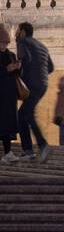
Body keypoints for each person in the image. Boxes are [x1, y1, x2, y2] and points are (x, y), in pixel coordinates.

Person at [16, 21, 54, 161]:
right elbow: (51, 68)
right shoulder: (42, 46)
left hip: (32, 84)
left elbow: (25, 59)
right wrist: (40, 73)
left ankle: (42, 145)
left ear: (23, 32)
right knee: (25, 114)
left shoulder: (22, 42)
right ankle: (29, 150)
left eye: (18, 30)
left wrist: (19, 76)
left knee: (24, 115)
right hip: (43, 85)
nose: (16, 33)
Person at [0, 24, 21, 161]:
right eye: (1, 43)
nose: (3, 45)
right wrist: (6, 69)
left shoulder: (11, 55)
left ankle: (8, 153)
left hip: (9, 96)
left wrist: (18, 67)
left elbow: (18, 75)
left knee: (7, 125)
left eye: (5, 43)